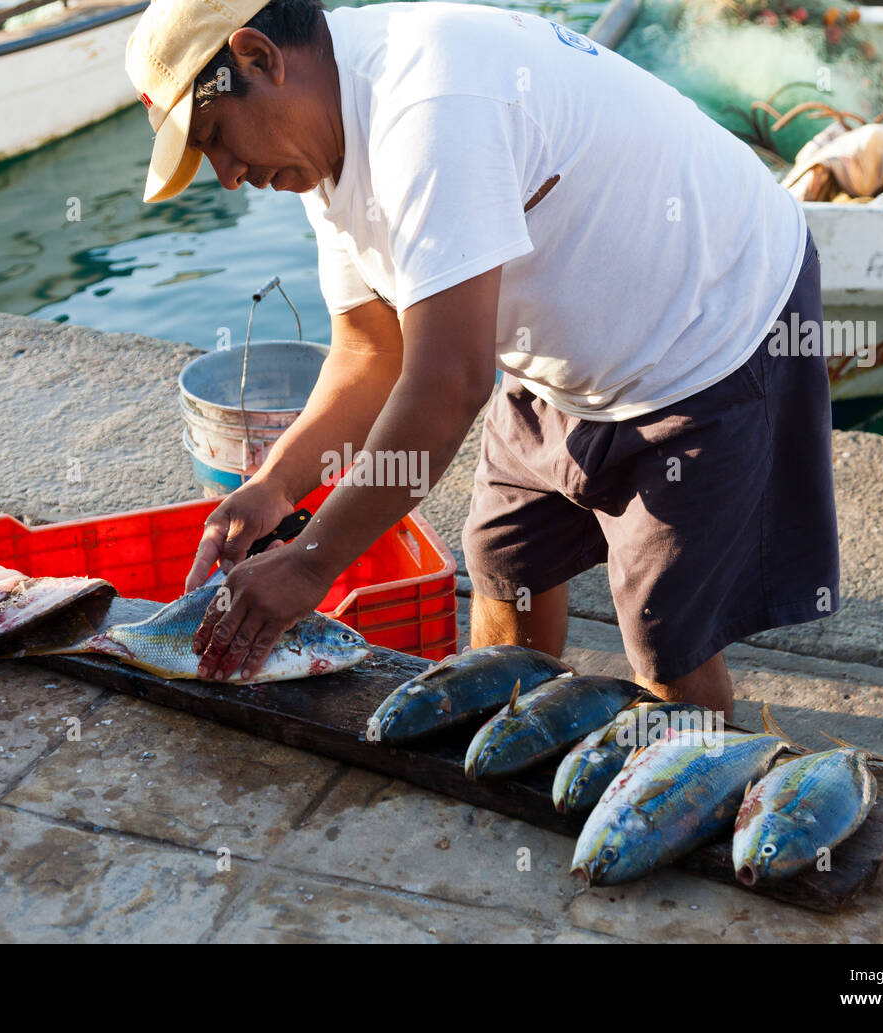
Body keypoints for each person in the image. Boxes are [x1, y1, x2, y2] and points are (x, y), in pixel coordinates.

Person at [125, 0, 839, 718]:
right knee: (506, 558)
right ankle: (509, 737)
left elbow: (449, 383)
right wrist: (277, 486)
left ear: (259, 58)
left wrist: (312, 564)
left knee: (666, 632)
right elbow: (373, 351)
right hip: (560, 350)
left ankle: (688, 796)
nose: (227, 173)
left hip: (711, 324)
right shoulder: (322, 145)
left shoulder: (428, 102)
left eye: (216, 136)